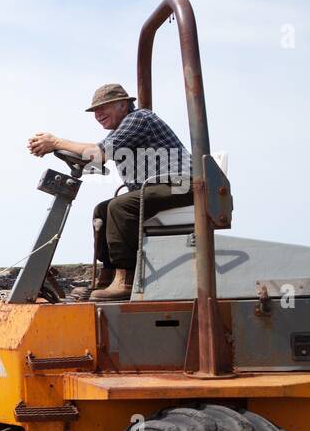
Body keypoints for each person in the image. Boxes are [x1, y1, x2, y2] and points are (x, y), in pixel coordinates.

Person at [28, 83, 193, 301]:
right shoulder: (121, 130)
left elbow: (100, 153)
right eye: (95, 111)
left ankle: (126, 280)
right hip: (158, 186)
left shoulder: (139, 119)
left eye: (104, 107)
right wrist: (68, 154)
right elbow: (97, 156)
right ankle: (108, 275)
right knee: (103, 209)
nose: (98, 114)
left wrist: (56, 142)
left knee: (120, 207)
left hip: (182, 185)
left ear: (123, 105)